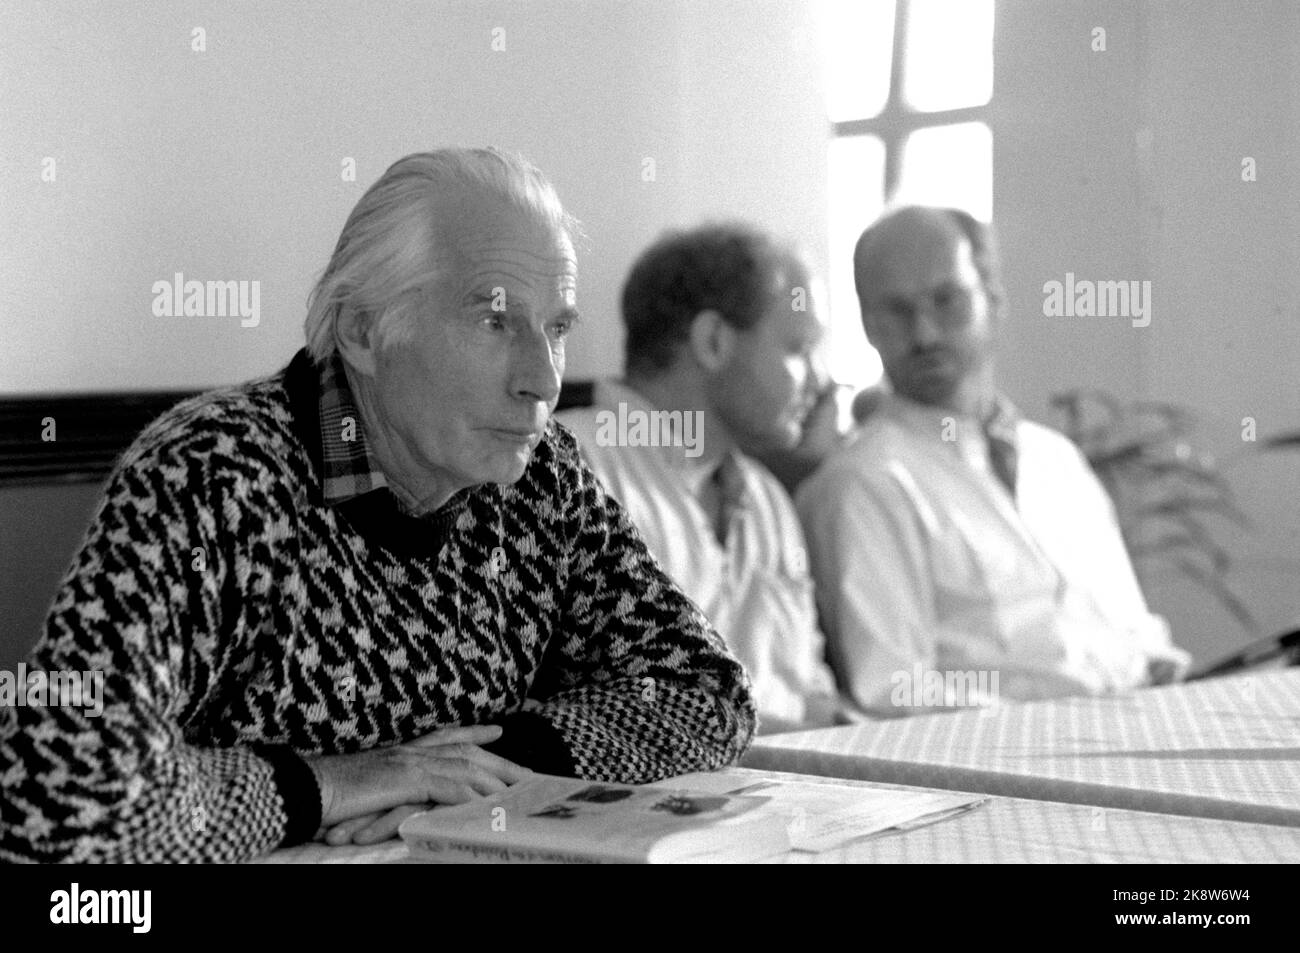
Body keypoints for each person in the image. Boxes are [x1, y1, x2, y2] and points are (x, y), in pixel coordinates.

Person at [0, 148, 756, 863]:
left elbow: (705, 690)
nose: (543, 379)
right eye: (495, 321)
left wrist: (486, 766)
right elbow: (56, 798)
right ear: (364, 330)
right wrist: (337, 783)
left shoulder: (540, 475)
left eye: (556, 328)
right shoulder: (209, 474)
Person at [796, 206, 1190, 716]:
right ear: (868, 326)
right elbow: (893, 691)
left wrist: (1158, 664)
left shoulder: (1057, 459)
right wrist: (1070, 707)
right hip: (1009, 763)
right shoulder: (862, 483)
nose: (924, 334)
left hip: (1136, 722)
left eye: (947, 300)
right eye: (895, 311)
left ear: (994, 300)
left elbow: (1131, 628)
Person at [557, 223, 850, 734]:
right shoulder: (572, 471)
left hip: (800, 796)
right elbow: (599, 719)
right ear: (714, 341)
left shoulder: (766, 498)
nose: (821, 379)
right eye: (799, 349)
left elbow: (812, 697)